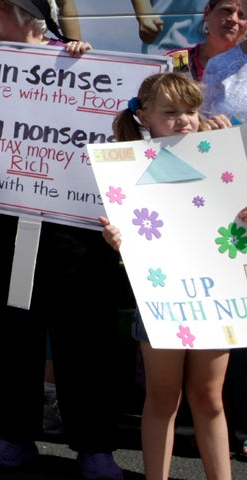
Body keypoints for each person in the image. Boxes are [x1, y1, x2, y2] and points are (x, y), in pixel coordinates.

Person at [0, 0, 123, 480]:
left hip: (71, 234)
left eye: (1, 9)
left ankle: (94, 447)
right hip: (6, 227)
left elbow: (122, 122)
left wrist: (83, 63)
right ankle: (15, 436)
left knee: (83, 336)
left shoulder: (78, 62)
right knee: (13, 333)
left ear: (32, 18)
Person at [100, 72, 234, 480]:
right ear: (145, 117)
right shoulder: (127, 166)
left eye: (191, 111)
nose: (184, 121)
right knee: (163, 399)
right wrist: (117, 237)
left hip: (216, 292)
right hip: (161, 297)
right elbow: (129, 232)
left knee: (210, 399)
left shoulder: (222, 157)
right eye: (170, 112)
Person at [165, 0, 246, 81]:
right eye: (227, 10)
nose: (233, 19)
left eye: (242, 15)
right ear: (207, 12)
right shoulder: (178, 60)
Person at [203, 0, 247, 121]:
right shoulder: (218, 66)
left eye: (239, 15)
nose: (232, 19)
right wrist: (210, 129)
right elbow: (199, 134)